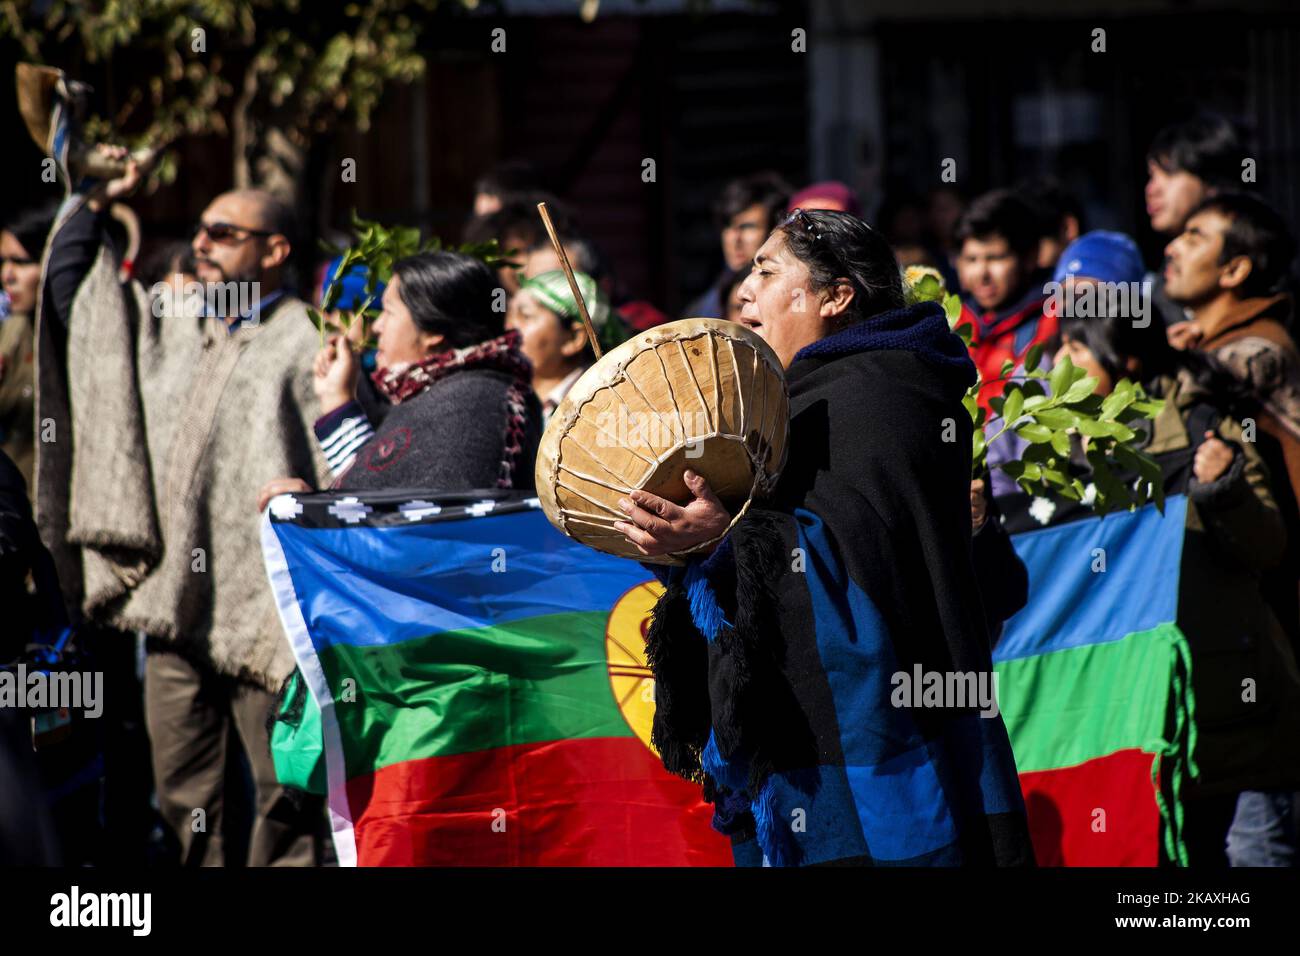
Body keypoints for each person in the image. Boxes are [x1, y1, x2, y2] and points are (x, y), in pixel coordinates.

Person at [615, 208, 1034, 866]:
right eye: (746, 275)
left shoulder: (883, 399)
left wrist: (729, 541)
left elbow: (857, 575)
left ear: (836, 296)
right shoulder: (793, 403)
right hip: (801, 745)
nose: (745, 291)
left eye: (767, 271)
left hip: (880, 745)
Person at [35, 145, 332, 867]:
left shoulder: (312, 340)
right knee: (183, 799)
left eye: (224, 233)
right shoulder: (169, 319)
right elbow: (78, 299)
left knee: (283, 797)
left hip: (272, 622)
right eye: (199, 230)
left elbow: (343, 462)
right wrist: (96, 200)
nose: (201, 243)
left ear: (277, 249)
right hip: (172, 611)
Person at [1056, 304, 1300, 866]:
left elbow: (1268, 546)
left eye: (1076, 349)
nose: (1060, 365)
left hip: (1226, 706)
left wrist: (1224, 487)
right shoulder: (1054, 447)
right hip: (1126, 716)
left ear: (1127, 359)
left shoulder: (1203, 422)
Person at [258, 251, 543, 498]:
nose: (378, 326)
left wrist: (315, 512)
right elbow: (378, 487)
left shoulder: (474, 404)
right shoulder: (443, 392)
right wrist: (337, 398)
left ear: (433, 332)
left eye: (389, 312)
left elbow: (404, 529)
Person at [954, 189, 1056, 410]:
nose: (982, 274)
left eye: (995, 258)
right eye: (972, 259)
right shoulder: (955, 320)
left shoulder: (1054, 318)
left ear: (1029, 257)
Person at [1144, 114, 1244, 328]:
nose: (1152, 189)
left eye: (1169, 174)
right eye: (1152, 175)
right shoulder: (1167, 274)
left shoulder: (1255, 260)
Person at [504, 268, 617, 422]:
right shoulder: (505, 395)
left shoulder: (601, 410)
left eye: (525, 316)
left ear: (574, 339)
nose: (509, 327)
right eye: (509, 314)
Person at [1, 201, 58, 488]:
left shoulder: (71, 340)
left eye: (21, 262)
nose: (7, 276)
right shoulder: (9, 329)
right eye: (3, 262)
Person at [681, 172, 790, 320]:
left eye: (748, 227)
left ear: (776, 231)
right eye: (728, 226)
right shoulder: (702, 309)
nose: (735, 239)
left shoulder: (794, 296)